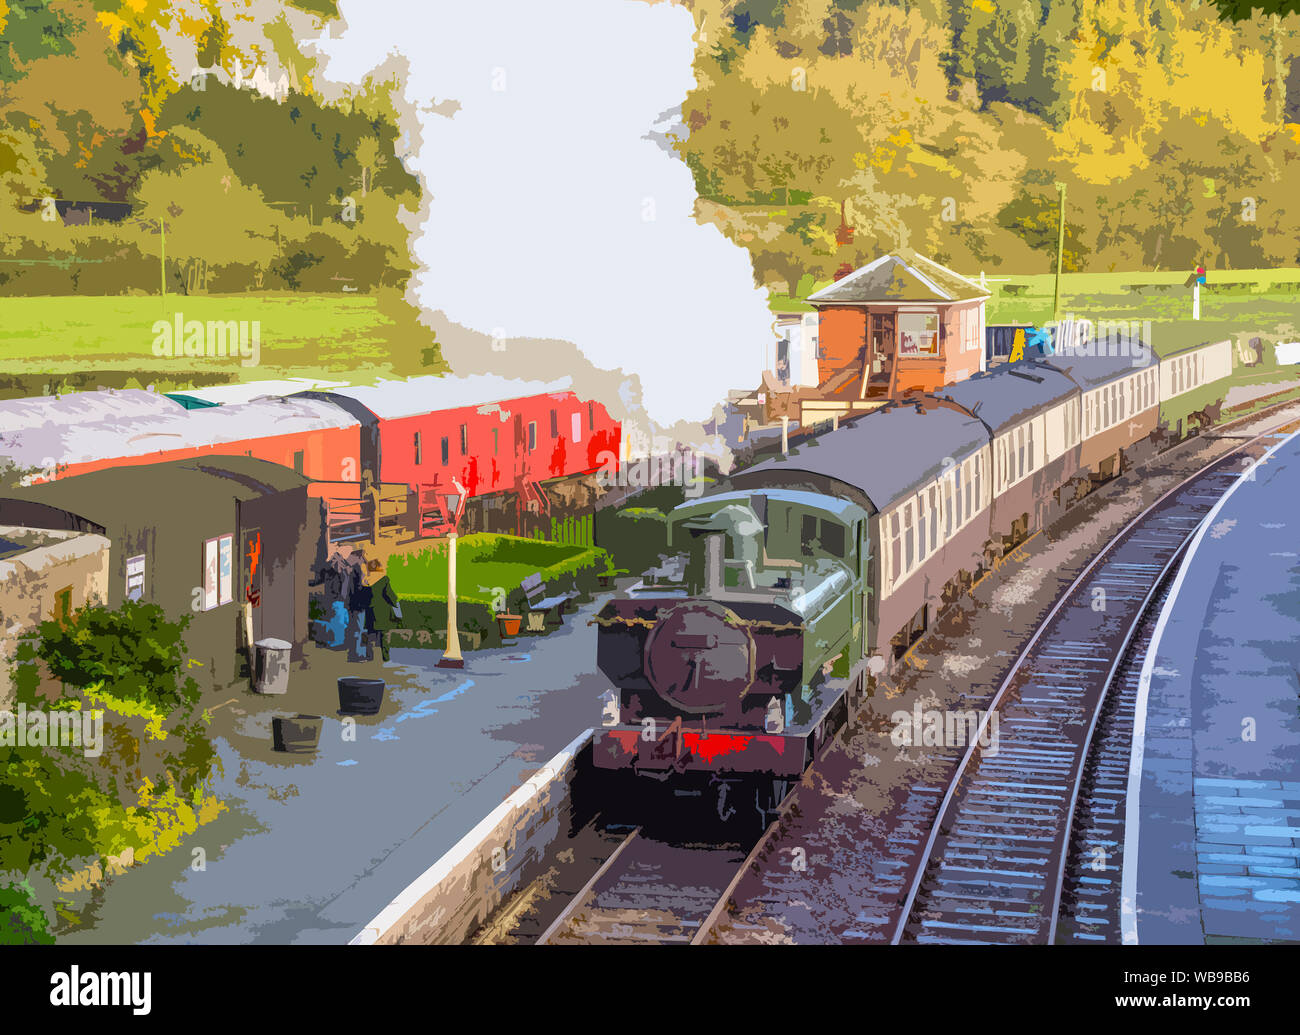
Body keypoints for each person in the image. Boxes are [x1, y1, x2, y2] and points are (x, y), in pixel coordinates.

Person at [364, 558, 402, 662]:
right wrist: (396, 603)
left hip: (370, 610)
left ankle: (369, 656)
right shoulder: (384, 580)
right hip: (383, 610)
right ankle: (385, 657)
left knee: (370, 634)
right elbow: (390, 595)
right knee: (384, 635)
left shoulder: (367, 580)